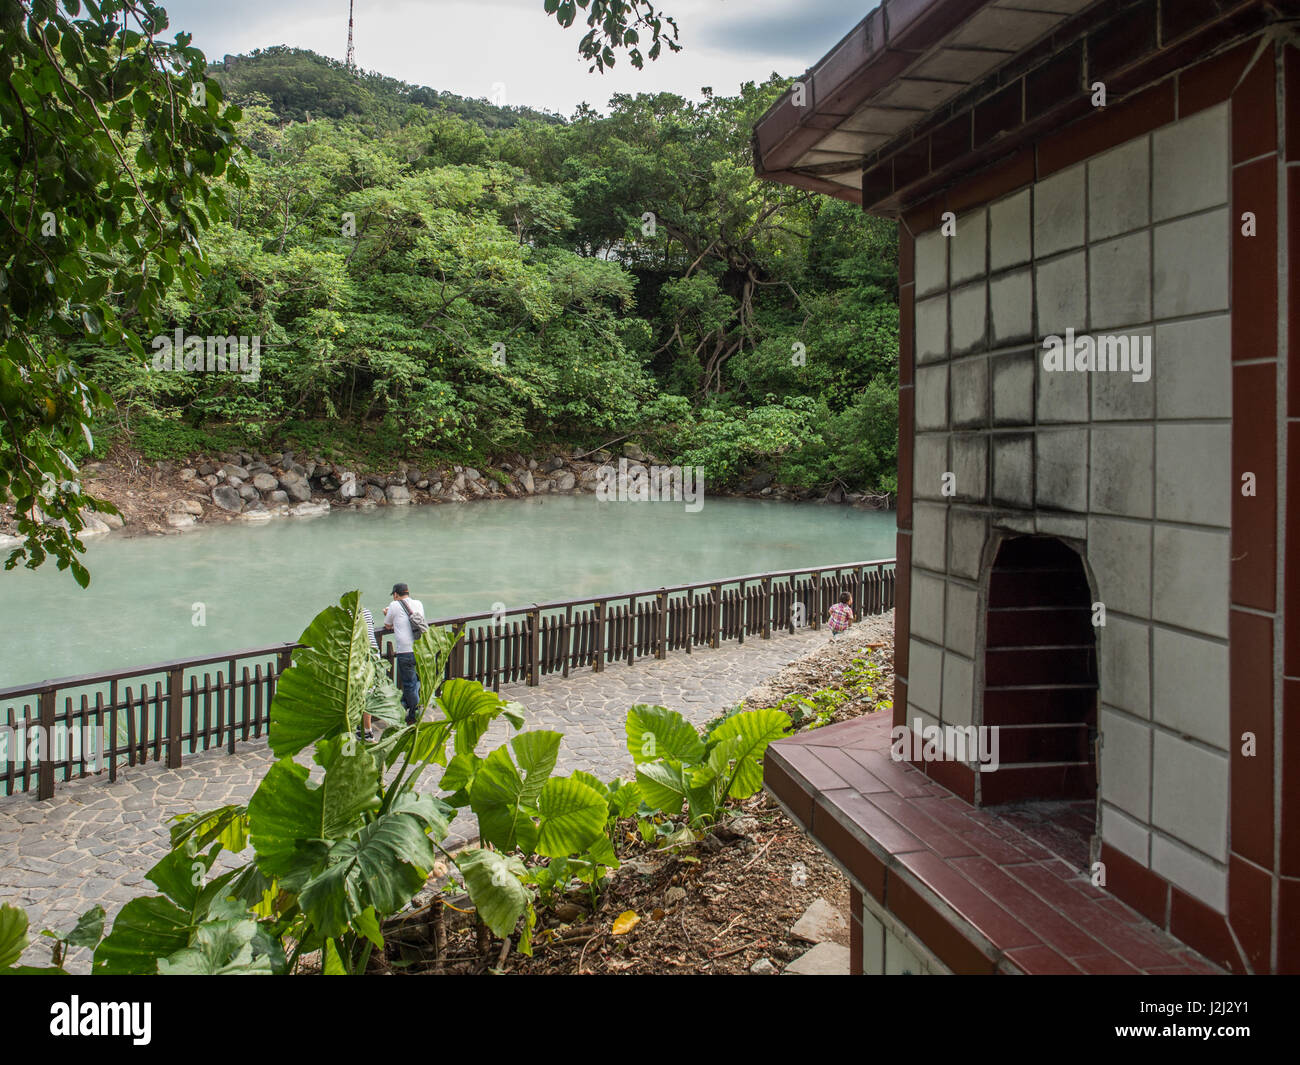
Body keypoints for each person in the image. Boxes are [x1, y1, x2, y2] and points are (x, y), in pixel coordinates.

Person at [383, 582, 425, 724]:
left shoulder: (394, 605)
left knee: (408, 684)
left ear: (396, 594)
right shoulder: (418, 603)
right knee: (416, 681)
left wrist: (386, 613)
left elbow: (388, 625)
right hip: (419, 649)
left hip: (405, 651)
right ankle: (408, 705)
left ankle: (414, 712)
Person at [357, 606, 380, 743]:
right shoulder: (367, 611)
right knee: (368, 693)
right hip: (374, 653)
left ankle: (365, 731)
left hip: (361, 656)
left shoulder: (348, 612)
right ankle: (366, 730)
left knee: (360, 694)